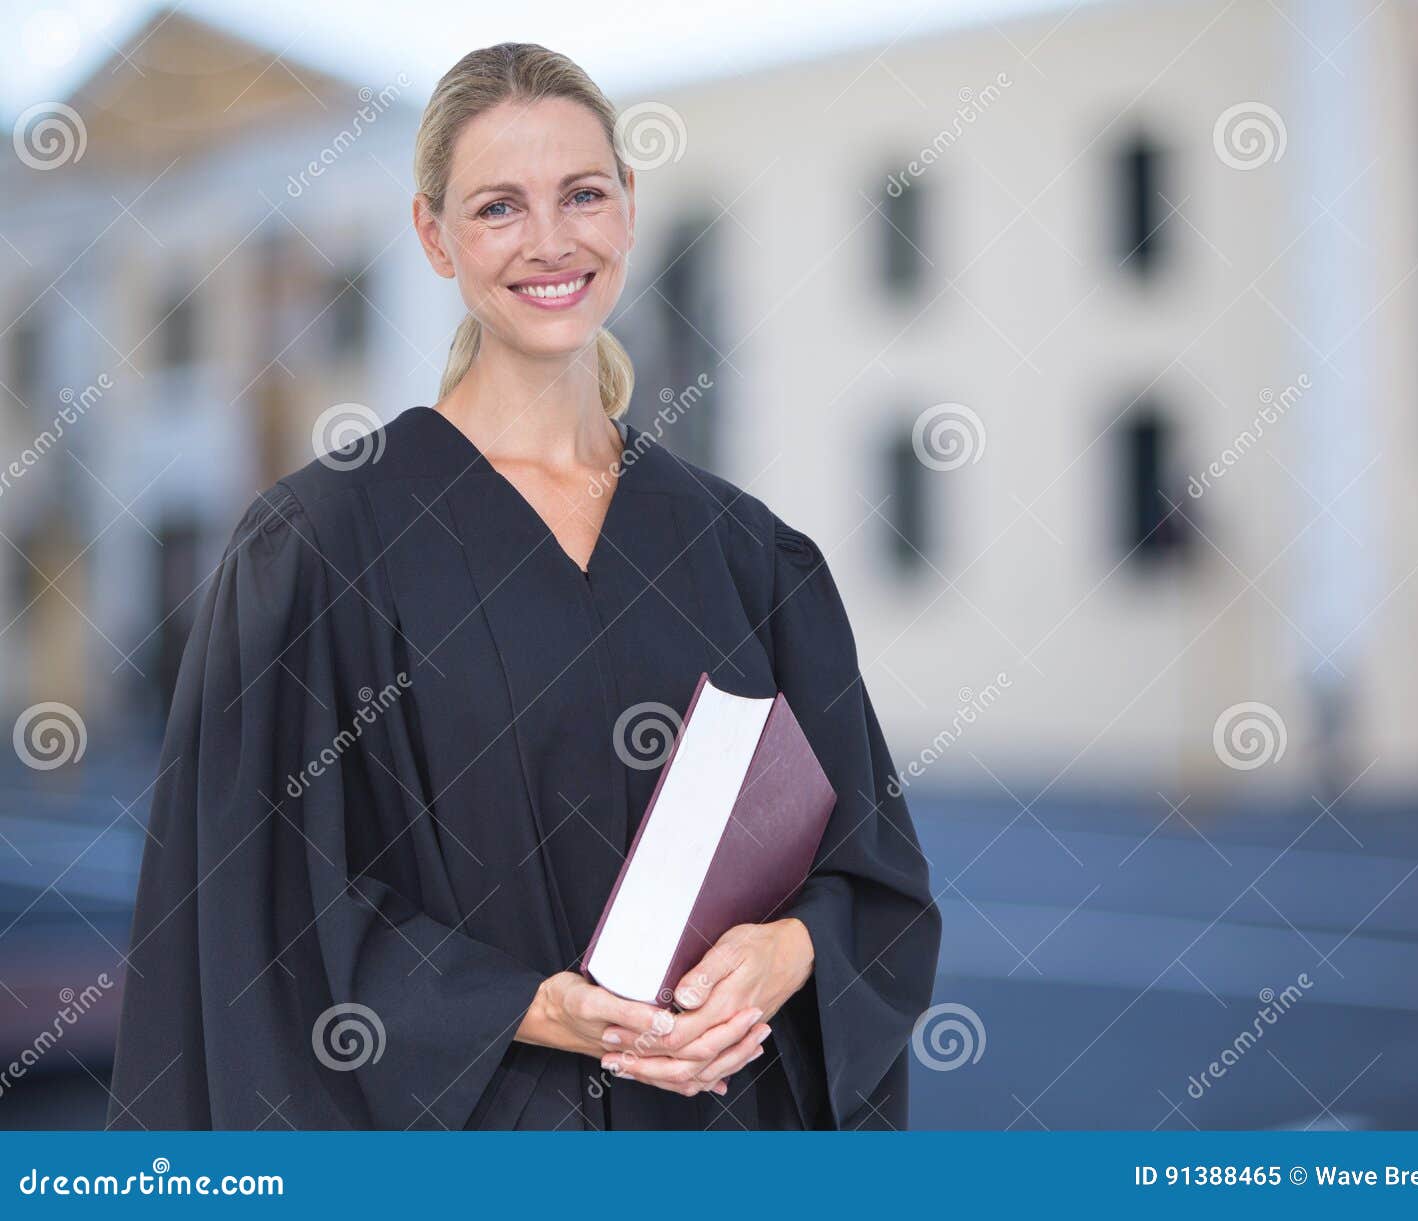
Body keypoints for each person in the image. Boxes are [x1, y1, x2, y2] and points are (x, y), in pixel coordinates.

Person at [106, 41, 940, 1131]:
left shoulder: (746, 554)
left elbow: (871, 879)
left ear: (628, 209)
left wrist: (787, 952)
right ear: (432, 235)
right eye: (498, 207)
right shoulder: (319, 546)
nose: (551, 241)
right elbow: (258, 913)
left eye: (582, 194)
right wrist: (531, 1009)